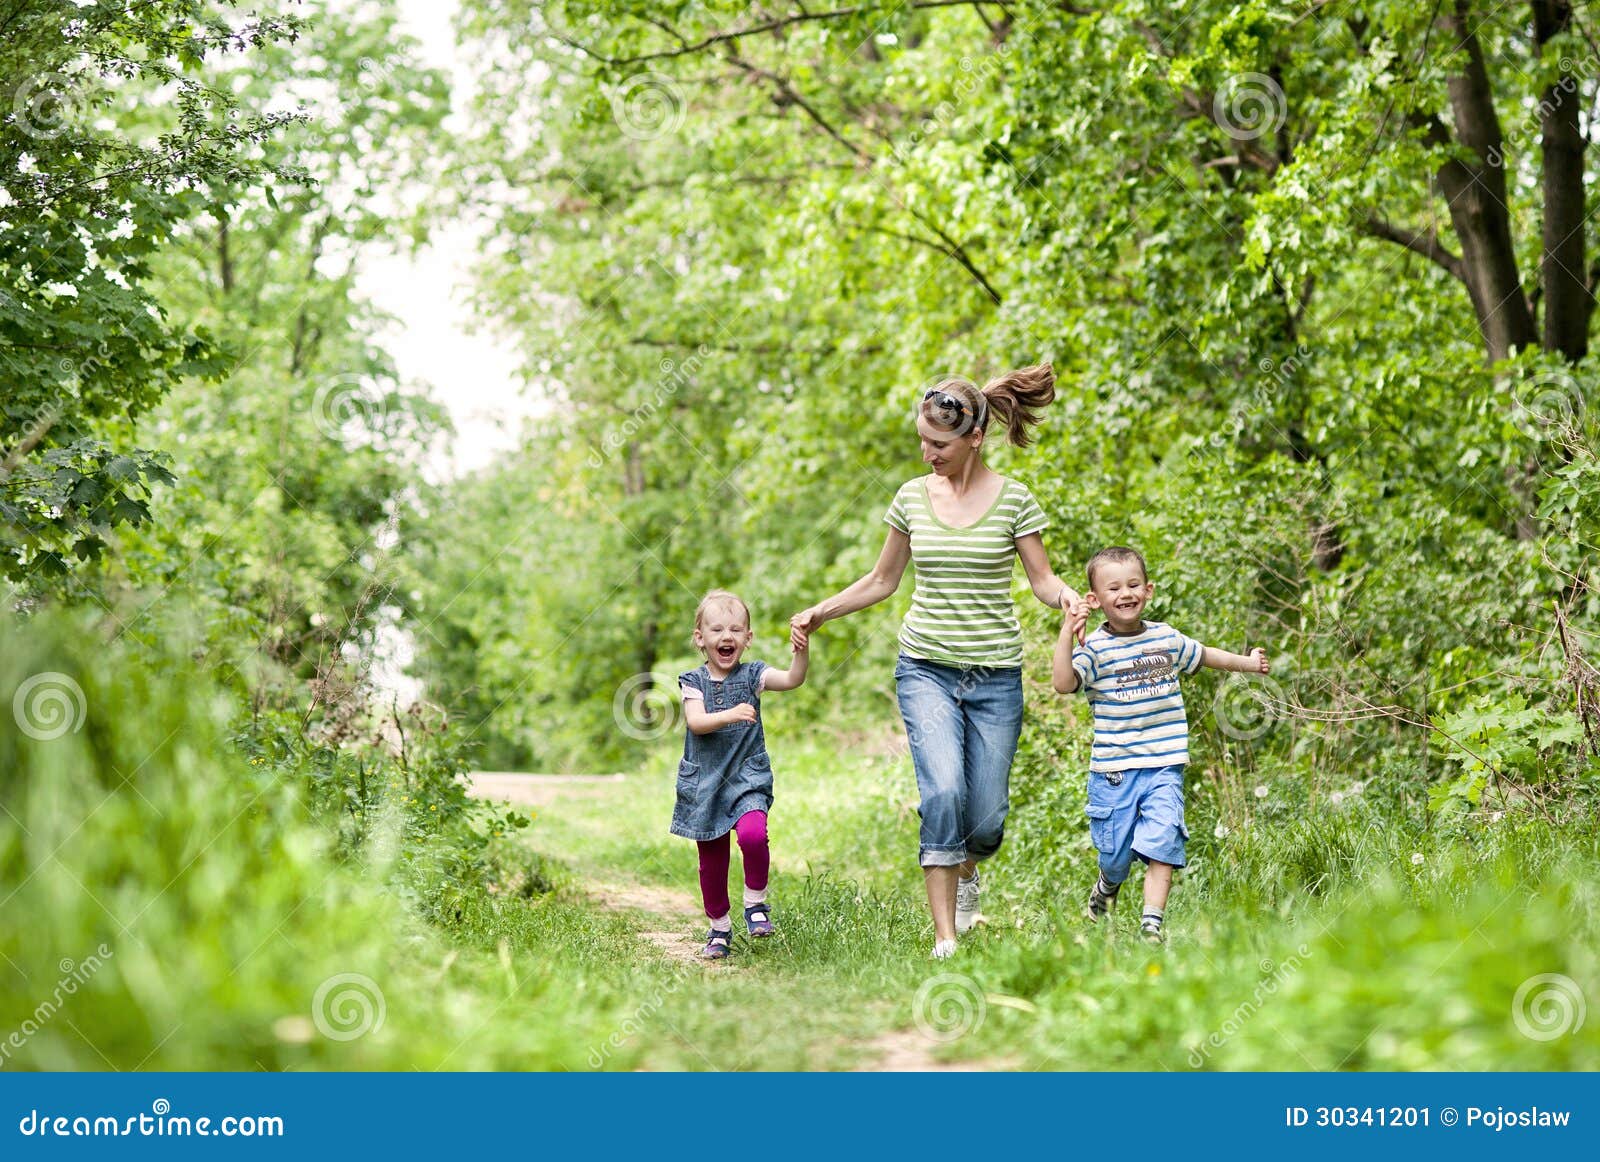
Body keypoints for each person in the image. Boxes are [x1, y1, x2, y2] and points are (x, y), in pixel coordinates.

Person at [790, 365, 1083, 959]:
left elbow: (1043, 580)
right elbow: (882, 579)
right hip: (925, 667)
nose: (928, 454)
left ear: (974, 437)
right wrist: (823, 611)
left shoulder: (1015, 500)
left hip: (996, 673)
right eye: (923, 441)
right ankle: (945, 937)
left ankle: (970, 872)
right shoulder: (910, 499)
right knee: (943, 792)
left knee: (987, 818)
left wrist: (1070, 598)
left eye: (939, 445)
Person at [1052, 546, 1269, 943]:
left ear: (1148, 589)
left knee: (1163, 840)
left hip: (1165, 765)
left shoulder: (1166, 638)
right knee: (1115, 858)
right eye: (1113, 588)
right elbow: (1064, 683)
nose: (1126, 593)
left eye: (1133, 584)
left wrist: (1249, 663)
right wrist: (1068, 631)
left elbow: (1204, 656)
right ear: (1095, 601)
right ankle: (1107, 885)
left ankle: (1151, 924)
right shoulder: (1094, 649)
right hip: (1113, 771)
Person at [674, 590, 808, 959]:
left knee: (753, 835)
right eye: (716, 629)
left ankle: (756, 904)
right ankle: (718, 927)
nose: (726, 636)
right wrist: (732, 714)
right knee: (712, 860)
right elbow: (697, 722)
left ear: (748, 638)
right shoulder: (693, 681)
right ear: (700, 638)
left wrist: (801, 649)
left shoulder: (755, 675)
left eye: (736, 629)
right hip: (705, 780)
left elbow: (793, 679)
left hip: (747, 776)